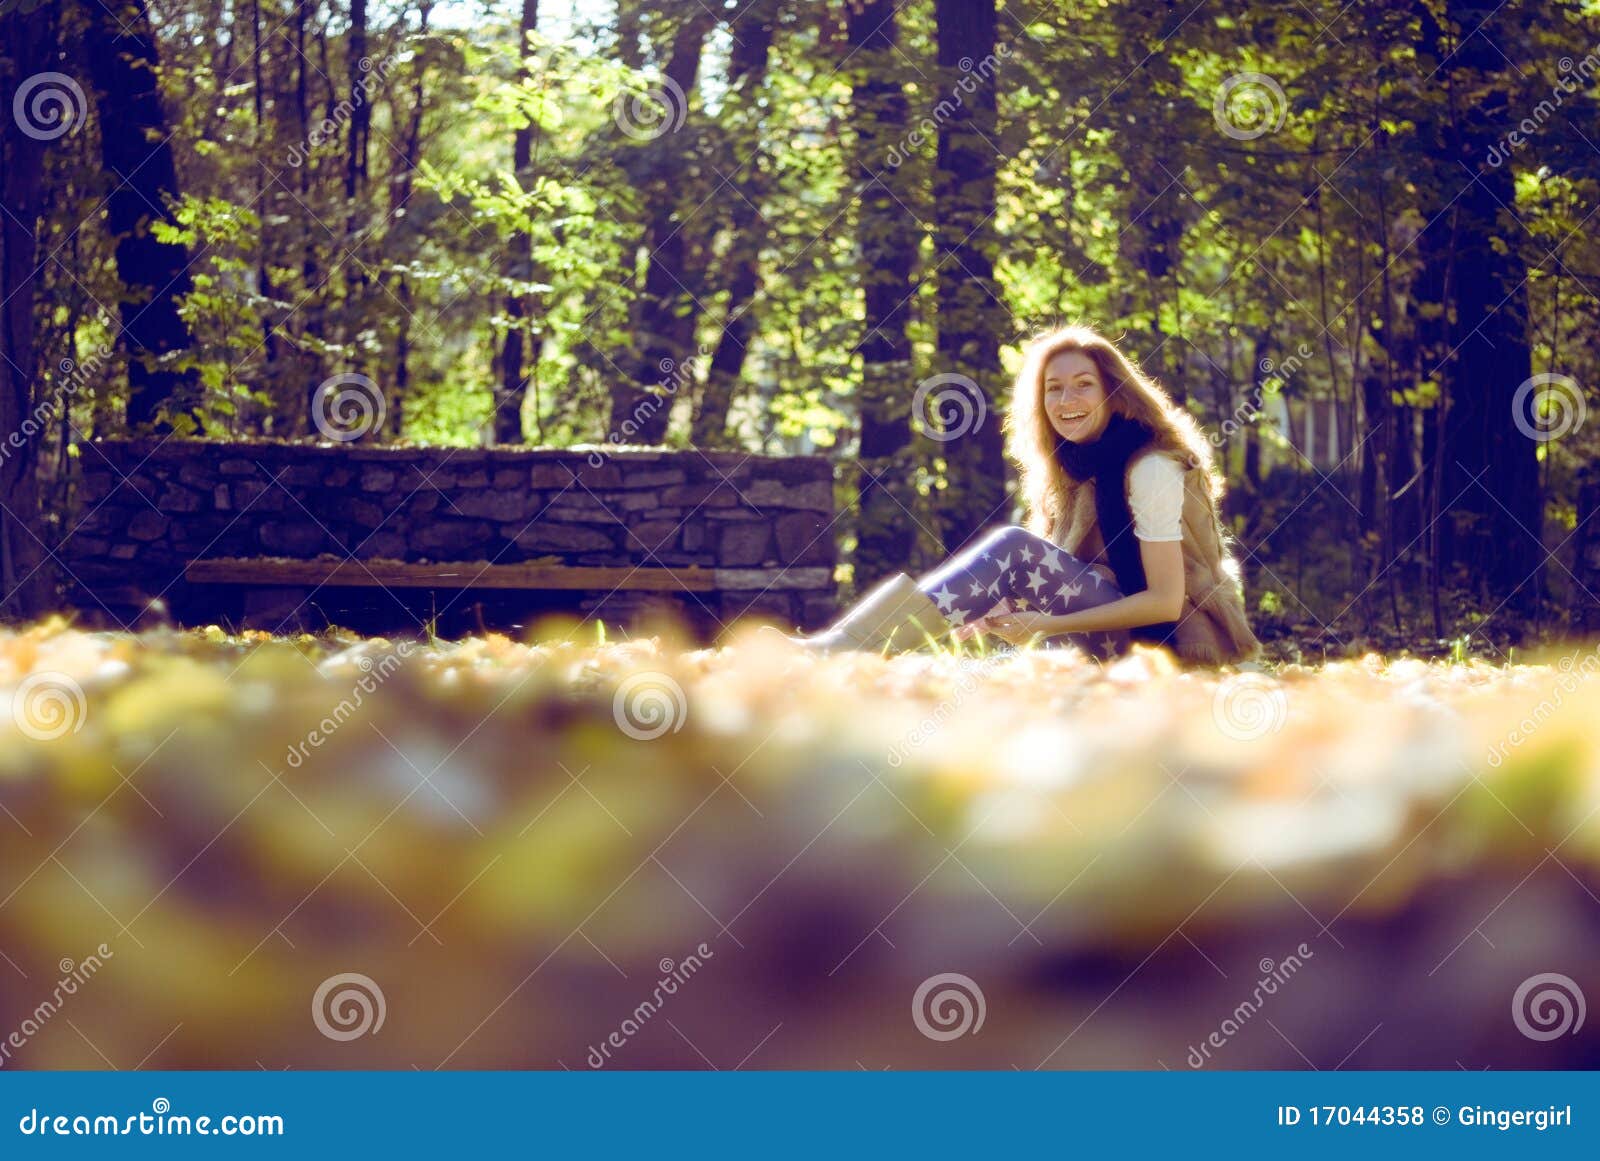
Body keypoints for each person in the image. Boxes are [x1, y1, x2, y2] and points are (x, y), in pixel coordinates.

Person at [779, 324, 1261, 666]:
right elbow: (1081, 572)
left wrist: (1043, 625)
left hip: (1173, 647)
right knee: (971, 673)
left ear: (1114, 394)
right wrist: (998, 604)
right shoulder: (1081, 468)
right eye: (1054, 389)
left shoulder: (1150, 467)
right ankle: (848, 650)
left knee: (1014, 550)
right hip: (1119, 637)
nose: (1066, 401)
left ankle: (842, 646)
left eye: (1083, 386)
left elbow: (1164, 603)